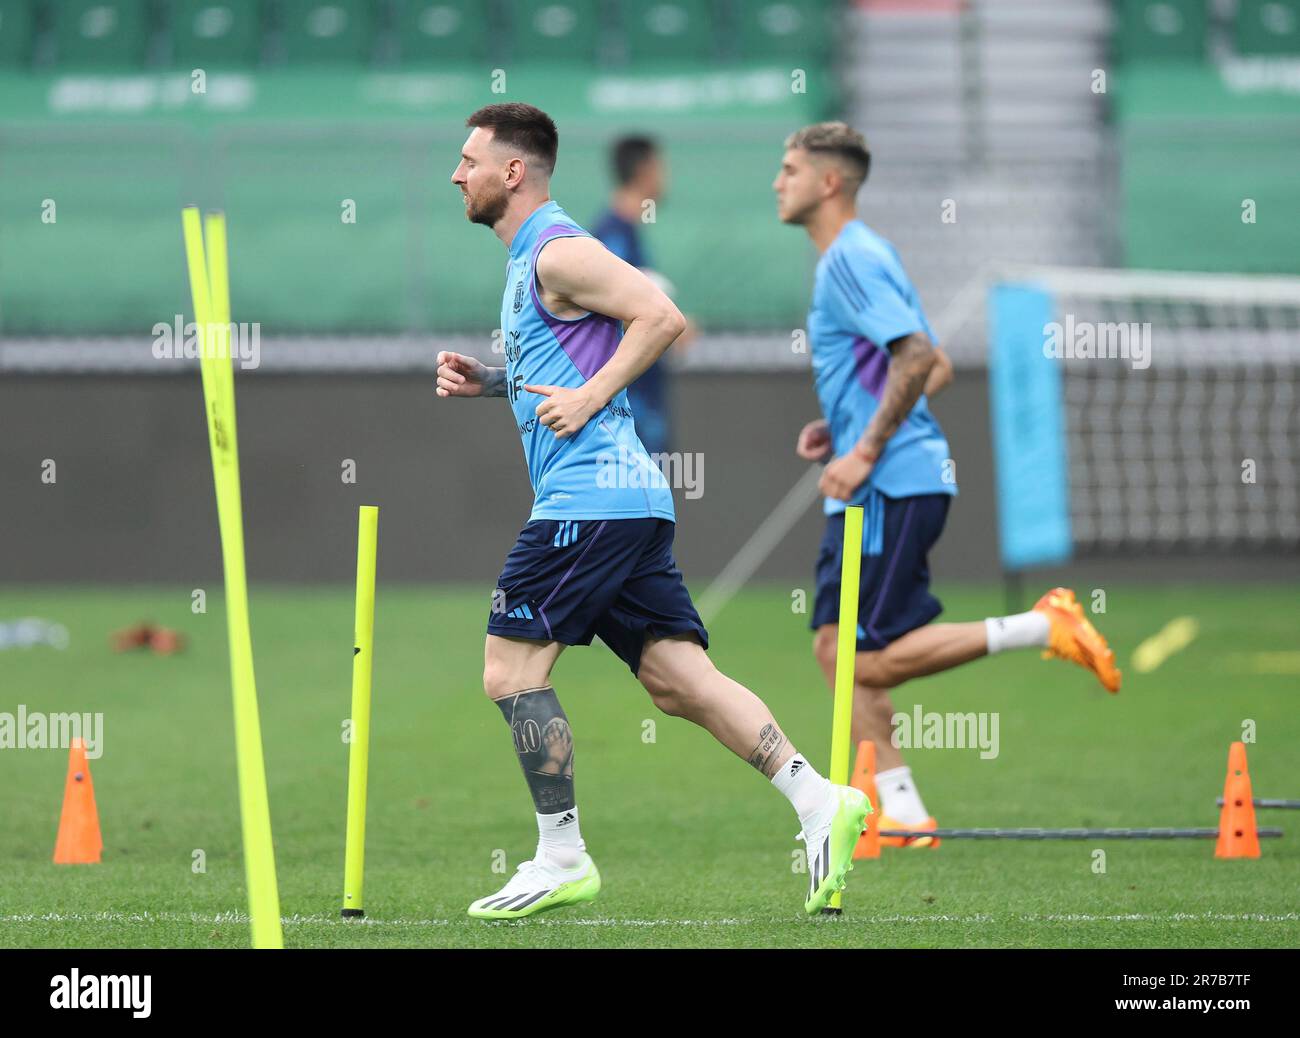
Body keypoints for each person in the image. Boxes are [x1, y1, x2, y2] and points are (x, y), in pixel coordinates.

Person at [437, 103, 868, 919]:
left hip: (588, 502)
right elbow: (570, 359)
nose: (457, 174)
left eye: (469, 160)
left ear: (513, 172)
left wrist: (595, 393)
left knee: (509, 670)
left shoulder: (559, 249)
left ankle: (561, 856)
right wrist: (489, 381)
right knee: (679, 680)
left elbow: (660, 318)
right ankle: (820, 801)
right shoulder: (533, 258)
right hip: (629, 504)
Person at [774, 122, 1121, 848]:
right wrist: (841, 430)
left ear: (829, 182)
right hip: (872, 481)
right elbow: (934, 368)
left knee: (862, 657)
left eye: (790, 168)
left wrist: (865, 448)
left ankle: (1043, 626)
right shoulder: (864, 255)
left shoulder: (850, 259)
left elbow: (921, 354)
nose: (778, 181)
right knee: (835, 650)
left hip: (892, 483)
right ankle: (902, 812)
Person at [590, 135, 685, 458]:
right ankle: (854, 509)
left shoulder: (628, 232)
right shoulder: (612, 234)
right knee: (638, 497)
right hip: (629, 403)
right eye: (661, 167)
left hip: (643, 396)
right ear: (646, 170)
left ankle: (854, 508)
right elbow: (612, 307)